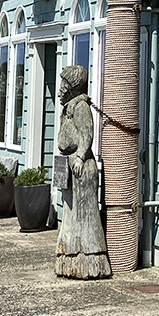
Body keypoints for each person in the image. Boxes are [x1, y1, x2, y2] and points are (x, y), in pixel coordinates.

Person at [55, 65, 111, 278]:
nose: (60, 89)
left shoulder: (80, 107)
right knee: (70, 214)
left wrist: (79, 156)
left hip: (81, 166)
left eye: (63, 84)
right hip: (68, 163)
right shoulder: (68, 107)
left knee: (83, 214)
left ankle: (89, 256)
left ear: (71, 86)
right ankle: (69, 255)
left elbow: (87, 133)